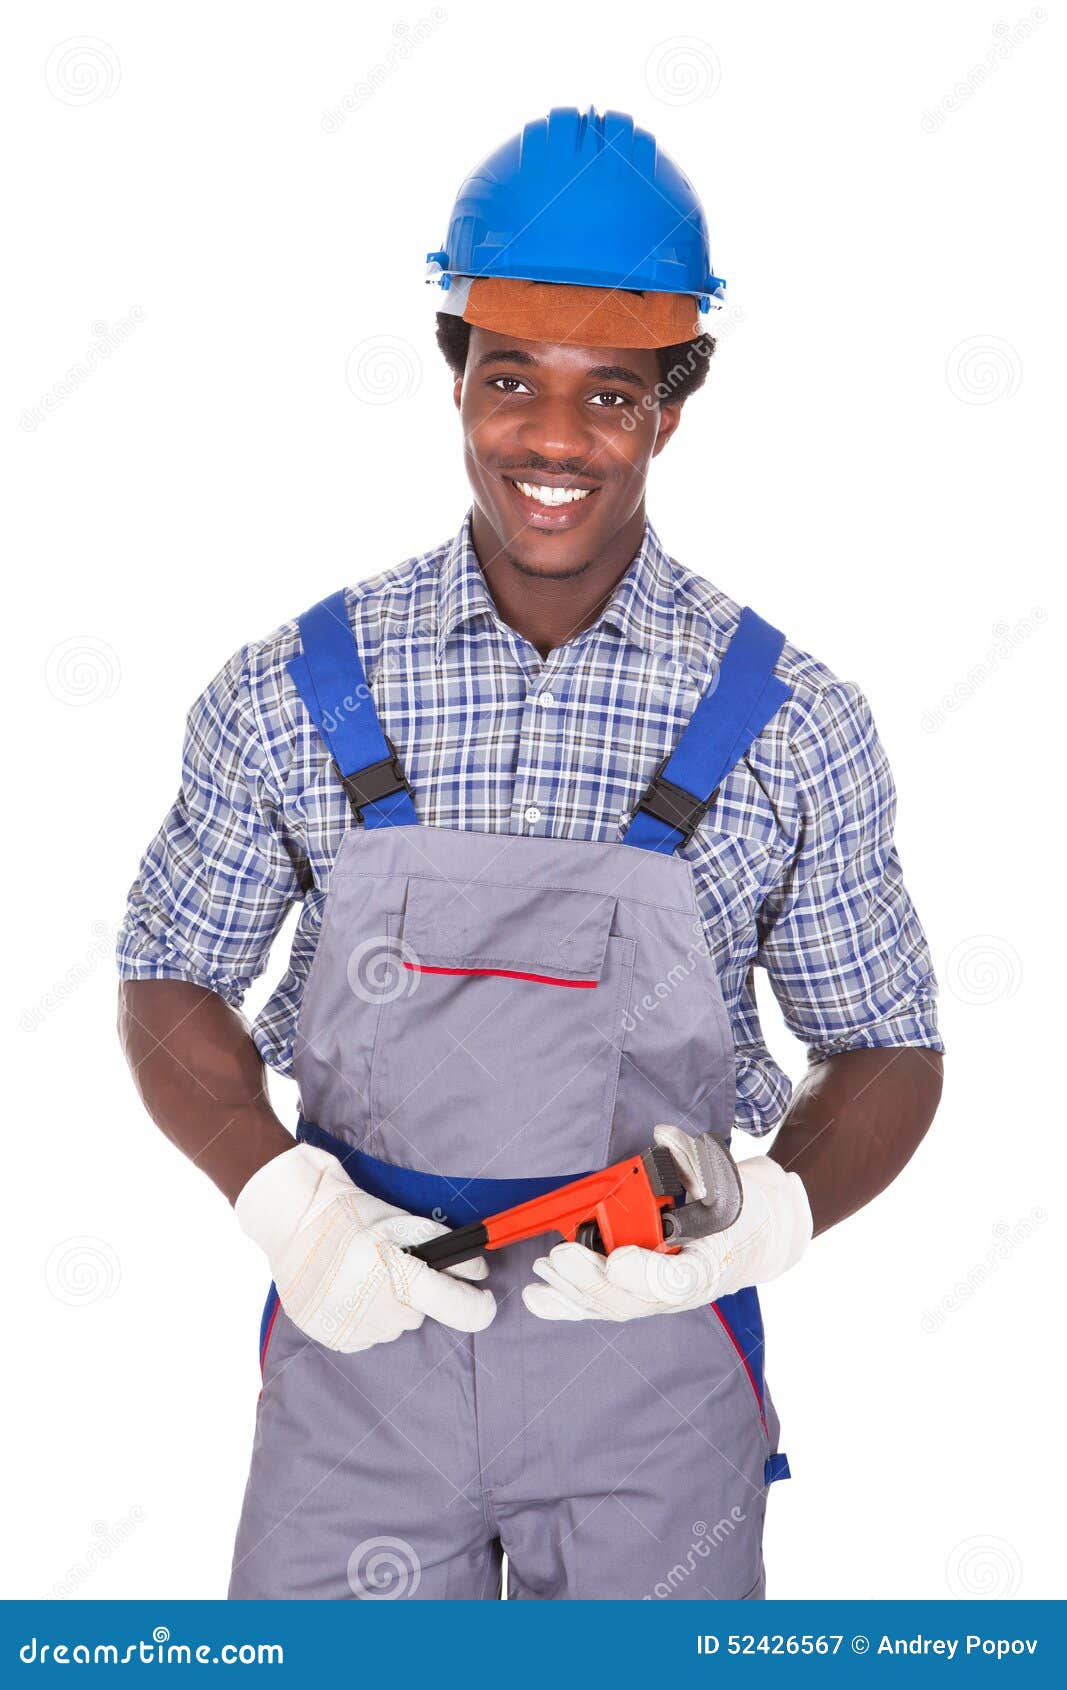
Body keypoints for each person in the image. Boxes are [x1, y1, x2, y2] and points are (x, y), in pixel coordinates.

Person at [116, 106, 944, 1601]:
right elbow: (169, 970)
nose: (553, 439)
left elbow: (886, 1044)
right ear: (455, 381)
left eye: (609, 394)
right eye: (513, 380)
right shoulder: (296, 686)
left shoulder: (790, 721)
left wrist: (777, 1207)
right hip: (364, 1347)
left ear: (670, 409)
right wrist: (282, 1202)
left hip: (649, 1365)